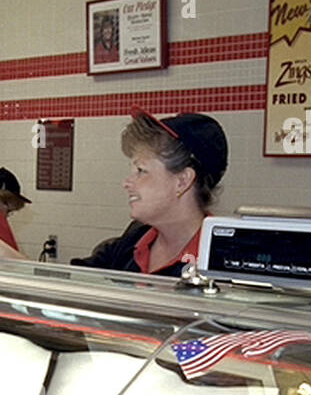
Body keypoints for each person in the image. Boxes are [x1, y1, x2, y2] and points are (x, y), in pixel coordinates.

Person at [72, 110, 228, 276]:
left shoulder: (222, 262)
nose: (126, 183)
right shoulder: (133, 241)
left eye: (141, 170)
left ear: (182, 181)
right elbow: (73, 280)